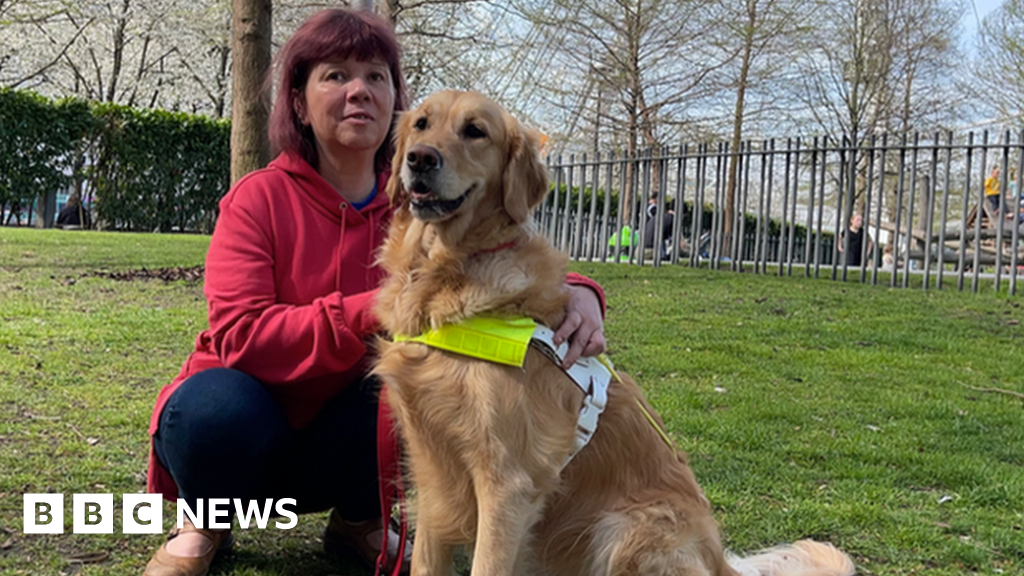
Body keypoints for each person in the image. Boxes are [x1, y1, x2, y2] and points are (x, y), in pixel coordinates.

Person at [142, 9, 607, 576]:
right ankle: (204, 520)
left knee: (406, 381)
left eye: (376, 76)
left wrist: (580, 290)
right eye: (335, 75)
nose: (358, 90)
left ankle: (360, 518)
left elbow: (495, 251)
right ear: (297, 103)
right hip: (254, 420)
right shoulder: (256, 198)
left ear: (392, 105)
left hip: (351, 429)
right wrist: (376, 307)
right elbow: (240, 336)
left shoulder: (423, 203)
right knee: (211, 412)